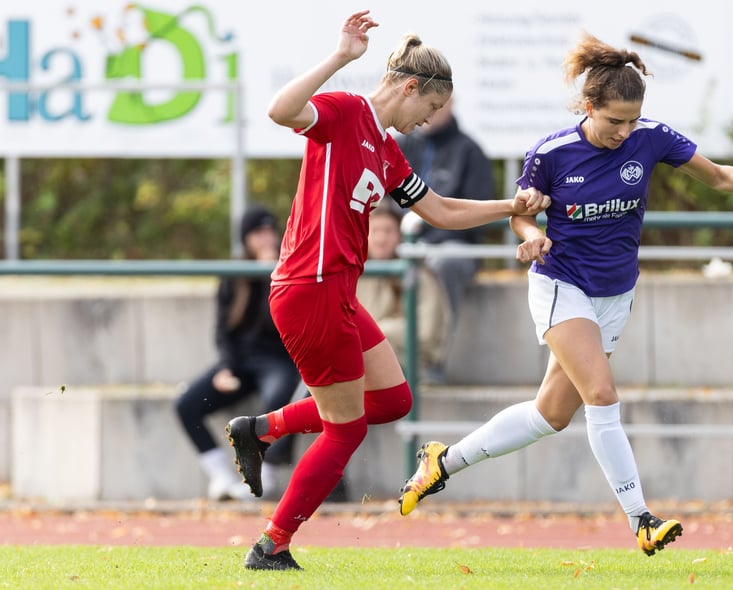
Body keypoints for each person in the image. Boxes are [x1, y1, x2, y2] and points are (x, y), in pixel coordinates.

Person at [397, 32, 733, 557]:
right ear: (588, 106)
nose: (624, 132)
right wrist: (533, 239)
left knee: (549, 415)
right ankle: (642, 519)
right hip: (562, 284)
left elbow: (717, 175)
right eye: (613, 122)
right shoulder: (552, 153)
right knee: (601, 396)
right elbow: (521, 213)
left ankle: (443, 462)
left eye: (632, 120)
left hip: (616, 292)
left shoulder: (650, 137)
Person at [223, 11, 549, 571]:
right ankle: (270, 546)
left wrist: (510, 207)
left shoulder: (389, 151)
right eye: (428, 109)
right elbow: (279, 111)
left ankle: (263, 429)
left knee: (394, 400)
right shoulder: (347, 111)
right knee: (345, 430)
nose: (426, 122)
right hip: (311, 290)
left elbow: (441, 211)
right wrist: (341, 57)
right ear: (409, 87)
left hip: (338, 294)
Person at [174, 204, 301, 502]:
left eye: (270, 231)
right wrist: (226, 367)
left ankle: (263, 473)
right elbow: (224, 329)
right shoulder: (233, 274)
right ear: (246, 238)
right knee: (188, 404)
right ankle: (220, 475)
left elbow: (280, 323)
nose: (266, 239)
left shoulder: (287, 268)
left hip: (277, 359)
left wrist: (270, 276)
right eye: (258, 233)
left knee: (277, 400)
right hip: (242, 362)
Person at [396, 98, 496, 383]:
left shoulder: (470, 151)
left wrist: (427, 243)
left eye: (436, 104)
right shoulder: (401, 145)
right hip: (398, 242)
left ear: (451, 104)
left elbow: (477, 215)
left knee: (446, 261)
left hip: (450, 246)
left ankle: (431, 359)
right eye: (425, 102)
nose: (428, 112)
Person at [358, 203, 451, 374]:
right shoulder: (356, 273)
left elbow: (426, 332)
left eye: (388, 231)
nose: (381, 238)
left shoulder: (420, 275)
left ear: (400, 235)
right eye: (375, 231)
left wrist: (378, 333)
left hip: (409, 361)